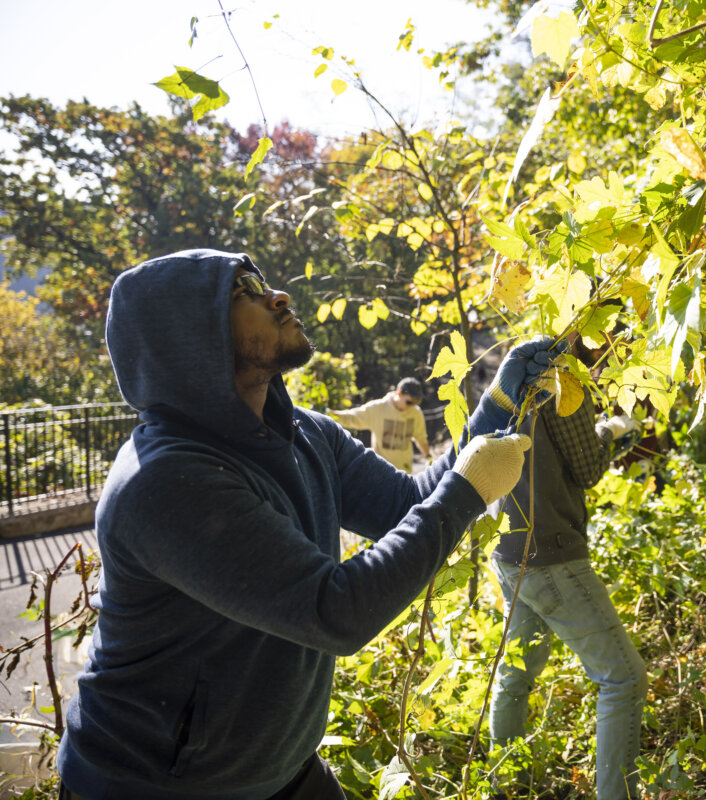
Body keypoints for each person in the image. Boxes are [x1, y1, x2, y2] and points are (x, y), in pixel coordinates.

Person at [56, 249, 560, 800]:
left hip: (280, 770)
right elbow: (335, 611)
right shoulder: (166, 481)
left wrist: (499, 402)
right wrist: (467, 493)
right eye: (242, 292)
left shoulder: (306, 432)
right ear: (188, 337)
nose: (278, 295)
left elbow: (405, 502)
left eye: (262, 282)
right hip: (154, 785)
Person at [488, 331, 648, 800]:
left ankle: (506, 788)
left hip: (509, 551)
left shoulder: (512, 373)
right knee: (623, 679)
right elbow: (588, 468)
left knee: (514, 679)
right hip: (553, 553)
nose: (611, 349)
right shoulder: (565, 382)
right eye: (609, 339)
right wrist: (616, 429)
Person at [329, 377, 431, 473]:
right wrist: (328, 414)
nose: (412, 406)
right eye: (409, 402)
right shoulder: (377, 409)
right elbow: (351, 417)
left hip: (404, 471)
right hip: (381, 471)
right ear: (399, 393)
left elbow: (420, 438)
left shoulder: (416, 413)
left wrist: (428, 457)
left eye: (416, 402)